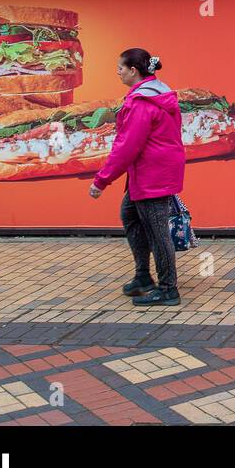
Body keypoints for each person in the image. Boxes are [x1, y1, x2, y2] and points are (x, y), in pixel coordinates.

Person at [88, 48, 186, 307]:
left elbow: (127, 146)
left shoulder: (142, 102)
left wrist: (102, 180)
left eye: (120, 67)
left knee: (157, 231)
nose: (117, 72)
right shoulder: (158, 92)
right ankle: (143, 276)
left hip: (152, 174)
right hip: (152, 170)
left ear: (133, 70)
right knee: (130, 215)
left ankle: (168, 289)